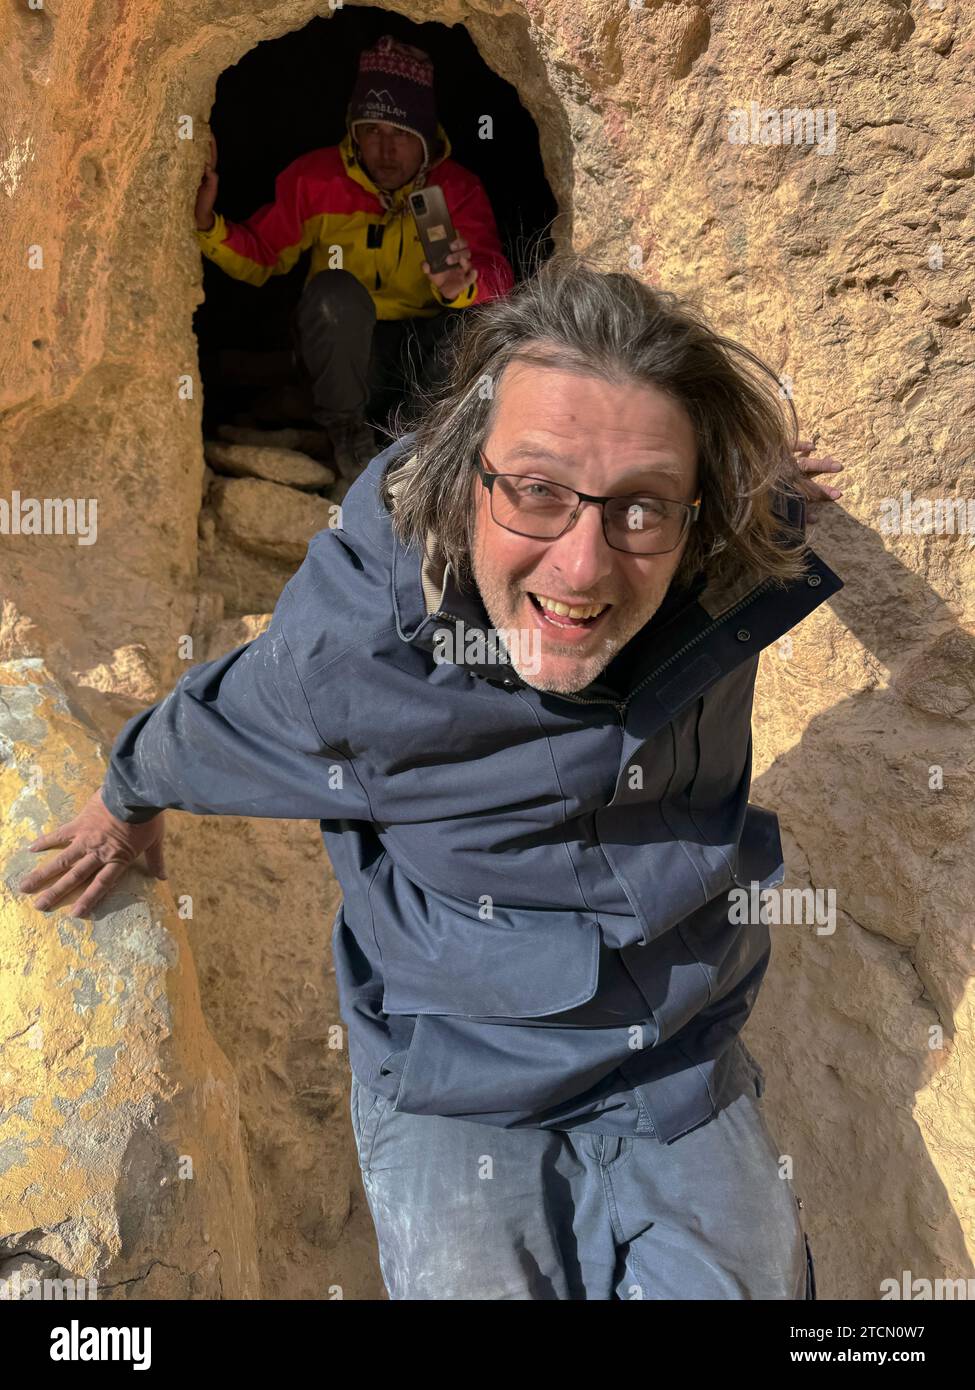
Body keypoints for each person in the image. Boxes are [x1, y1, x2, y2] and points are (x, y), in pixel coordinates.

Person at [18, 254, 846, 1301]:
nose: (583, 567)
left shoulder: (719, 552)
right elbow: (217, 718)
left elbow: (735, 507)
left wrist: (763, 500)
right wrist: (122, 798)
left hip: (681, 1052)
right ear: (464, 477)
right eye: (538, 492)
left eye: (641, 508)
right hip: (463, 1072)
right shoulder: (359, 659)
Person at [194, 34, 515, 479]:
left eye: (401, 134)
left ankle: (415, 438)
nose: (386, 150)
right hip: (346, 359)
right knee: (334, 292)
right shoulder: (316, 180)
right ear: (353, 132)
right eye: (372, 131)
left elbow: (502, 277)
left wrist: (466, 283)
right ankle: (347, 433)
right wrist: (209, 225)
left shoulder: (455, 189)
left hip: (419, 361)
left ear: (425, 137)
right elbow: (264, 255)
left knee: (478, 320)